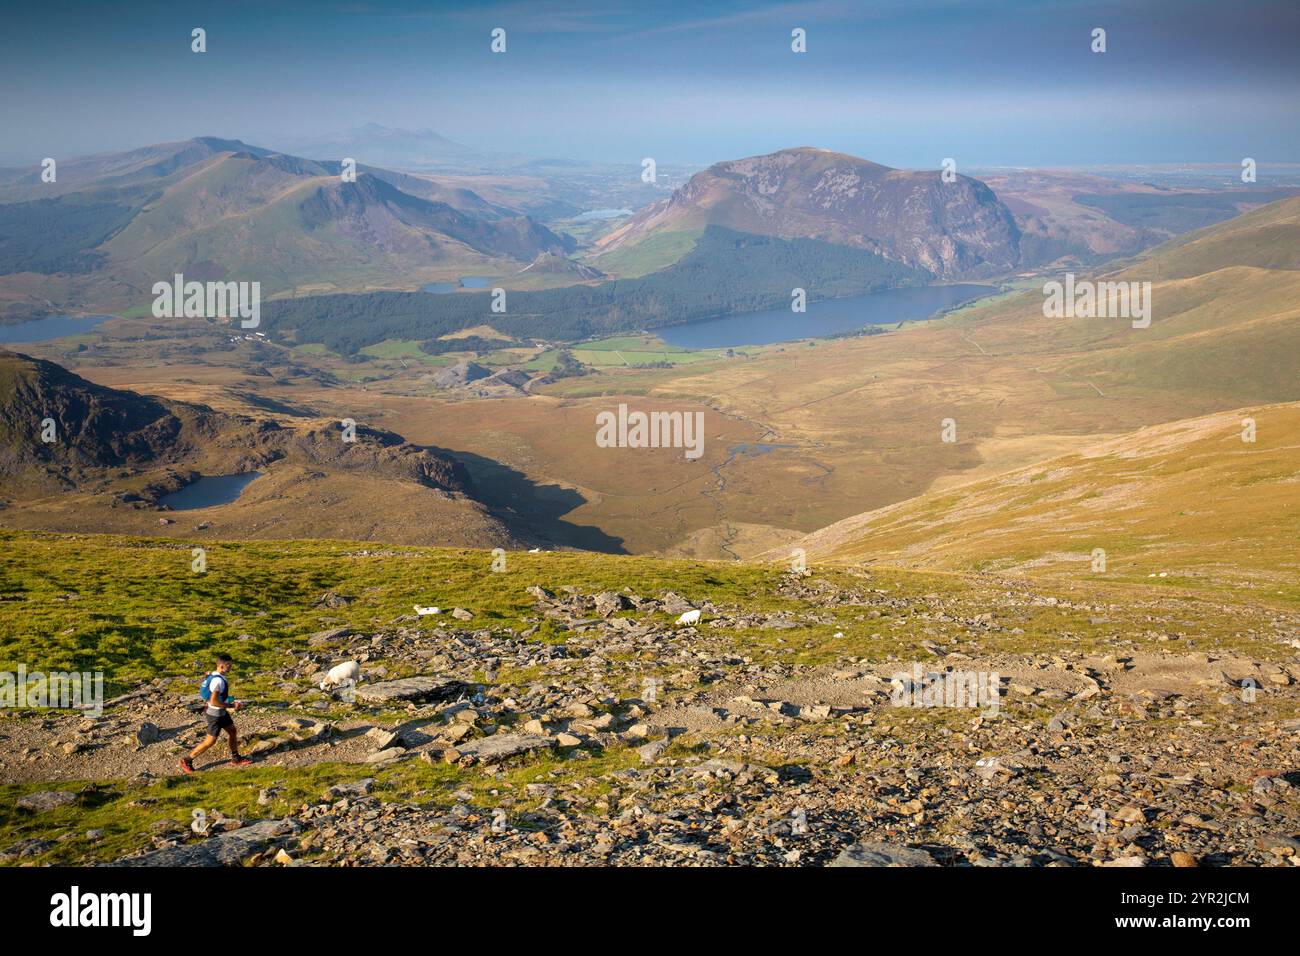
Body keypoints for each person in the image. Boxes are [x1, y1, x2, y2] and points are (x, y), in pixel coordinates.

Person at [180, 654, 252, 772]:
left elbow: (210, 682)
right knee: (210, 741)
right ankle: (187, 760)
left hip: (220, 712)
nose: (231, 667)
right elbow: (214, 700)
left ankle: (236, 758)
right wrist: (231, 705)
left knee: (232, 731)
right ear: (222, 666)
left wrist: (228, 702)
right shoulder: (218, 680)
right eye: (229, 665)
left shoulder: (214, 674)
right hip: (215, 714)